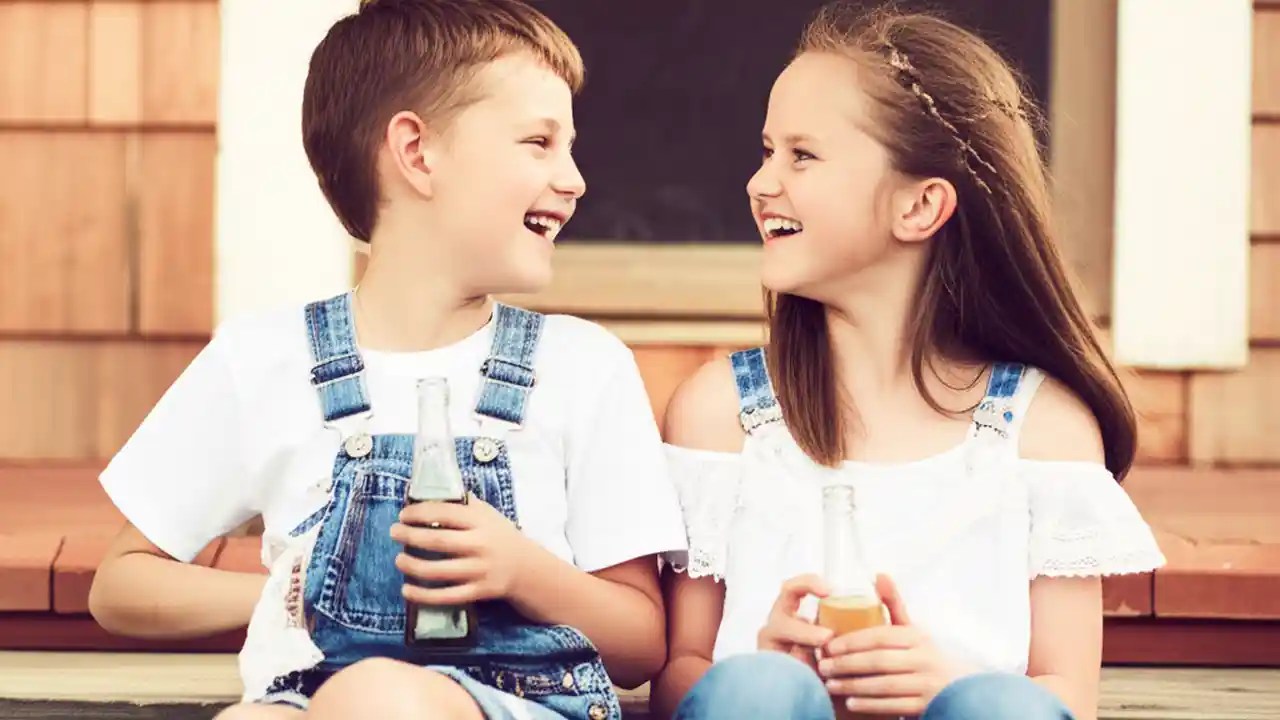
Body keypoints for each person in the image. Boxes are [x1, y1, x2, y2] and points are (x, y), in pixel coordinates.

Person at [88, 2, 687, 718]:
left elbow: (640, 641)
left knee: (380, 699)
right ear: (416, 152)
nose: (575, 179)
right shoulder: (263, 358)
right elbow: (120, 584)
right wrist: (292, 592)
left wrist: (519, 569)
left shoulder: (584, 367)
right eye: (539, 142)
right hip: (317, 700)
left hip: (521, 706)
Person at [651, 4, 1165, 719]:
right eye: (768, 150)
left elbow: (1067, 695)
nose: (760, 183)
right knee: (755, 689)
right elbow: (681, 673)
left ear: (920, 207)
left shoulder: (1042, 431)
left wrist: (943, 685)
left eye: (802, 155)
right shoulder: (721, 415)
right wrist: (765, 664)